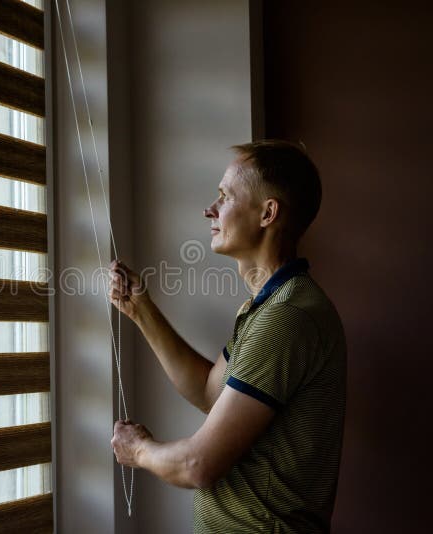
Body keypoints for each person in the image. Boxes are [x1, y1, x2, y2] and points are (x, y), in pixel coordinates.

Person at [109, 140, 346, 533]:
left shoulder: (287, 318)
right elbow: (208, 389)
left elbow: (197, 465)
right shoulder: (268, 307)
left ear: (268, 213)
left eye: (224, 196)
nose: (210, 209)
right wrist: (140, 310)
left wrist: (139, 451)